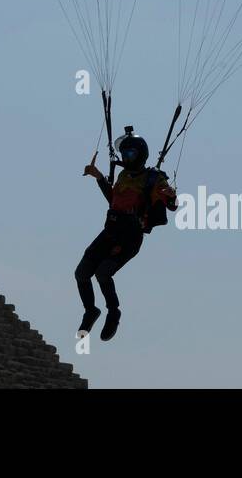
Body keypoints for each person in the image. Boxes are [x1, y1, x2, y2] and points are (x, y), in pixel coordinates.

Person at [75, 127, 178, 341]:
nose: (126, 158)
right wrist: (98, 176)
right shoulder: (123, 175)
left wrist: (170, 197)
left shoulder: (154, 178)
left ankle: (113, 312)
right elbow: (113, 199)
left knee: (103, 273)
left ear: (140, 154)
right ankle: (90, 310)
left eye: (130, 154)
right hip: (111, 230)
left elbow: (171, 203)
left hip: (130, 237)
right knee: (82, 272)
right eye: (124, 154)